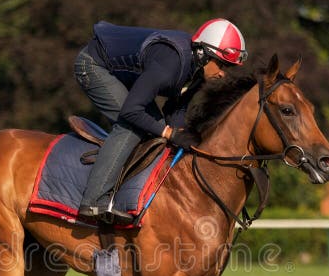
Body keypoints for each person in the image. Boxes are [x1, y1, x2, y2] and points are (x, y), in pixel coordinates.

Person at [74, 18, 247, 223]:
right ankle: (93, 201)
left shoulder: (197, 71)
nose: (223, 73)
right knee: (132, 128)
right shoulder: (170, 63)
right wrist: (168, 133)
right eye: (222, 64)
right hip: (94, 65)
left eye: (229, 68)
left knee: (154, 130)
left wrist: (181, 133)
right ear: (202, 53)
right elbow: (131, 111)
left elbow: (175, 107)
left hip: (121, 76)